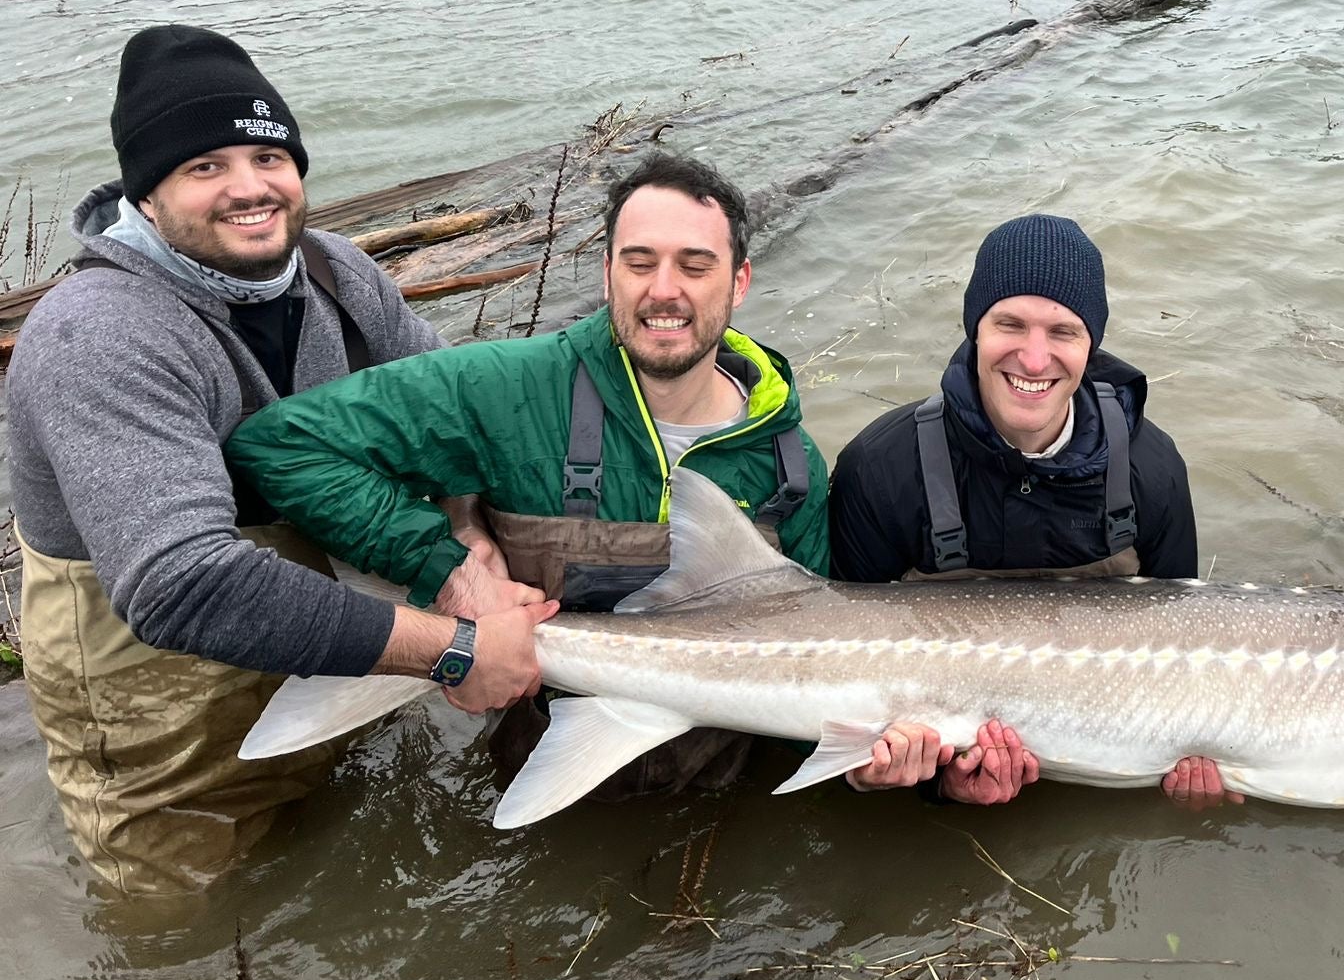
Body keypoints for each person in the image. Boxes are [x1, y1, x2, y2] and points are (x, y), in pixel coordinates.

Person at [5, 25, 552, 895]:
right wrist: (454, 650)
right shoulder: (97, 335)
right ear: (147, 196)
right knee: (181, 943)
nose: (249, 188)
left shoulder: (334, 272)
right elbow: (181, 584)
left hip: (333, 661)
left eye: (267, 154)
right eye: (205, 167)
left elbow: (456, 421)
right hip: (168, 734)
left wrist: (467, 545)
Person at [227, 152, 829, 800]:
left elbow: (816, 661)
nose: (664, 289)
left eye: (695, 264)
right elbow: (282, 445)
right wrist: (448, 570)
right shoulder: (509, 387)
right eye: (639, 261)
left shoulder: (791, 463)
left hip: (718, 779)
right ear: (606, 275)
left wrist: (876, 764)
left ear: (738, 282)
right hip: (539, 744)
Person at [828, 214, 1213, 806]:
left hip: (1100, 762)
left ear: (1092, 344)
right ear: (975, 330)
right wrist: (926, 784)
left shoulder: (1151, 469)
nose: (1035, 359)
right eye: (1010, 324)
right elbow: (839, 668)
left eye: (1063, 332)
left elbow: (1182, 644)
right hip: (944, 759)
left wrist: (1193, 771)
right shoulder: (881, 467)